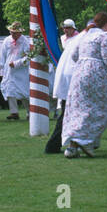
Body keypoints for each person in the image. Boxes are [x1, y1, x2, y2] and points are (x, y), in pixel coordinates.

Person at [61, 13, 107, 158]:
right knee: (103, 109)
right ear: (106, 24)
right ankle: (84, 141)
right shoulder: (104, 37)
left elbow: (74, 56)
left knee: (80, 108)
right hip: (96, 75)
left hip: (79, 74)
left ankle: (75, 145)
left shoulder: (83, 37)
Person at [44, 19, 81, 154]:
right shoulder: (64, 40)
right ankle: (54, 145)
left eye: (68, 28)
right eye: (64, 28)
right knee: (66, 116)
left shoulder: (76, 40)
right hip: (69, 82)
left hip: (69, 80)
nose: (66, 30)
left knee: (67, 115)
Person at [0, 23, 31, 120]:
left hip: (21, 70)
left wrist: (17, 63)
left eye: (15, 33)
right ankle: (14, 112)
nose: (13, 35)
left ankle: (30, 112)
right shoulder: (7, 40)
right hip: (8, 69)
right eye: (12, 32)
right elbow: (2, 55)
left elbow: (28, 57)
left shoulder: (25, 41)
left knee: (23, 91)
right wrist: (2, 70)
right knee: (9, 90)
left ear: (20, 32)